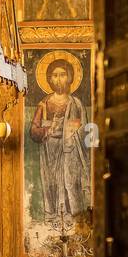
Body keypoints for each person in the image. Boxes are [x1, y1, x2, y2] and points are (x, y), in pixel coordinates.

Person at [29, 59, 91, 222]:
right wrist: (47, 130)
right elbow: (33, 131)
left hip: (71, 151)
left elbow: (88, 132)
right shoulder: (44, 104)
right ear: (49, 79)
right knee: (52, 184)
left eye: (62, 75)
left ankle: (74, 217)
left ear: (70, 77)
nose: (59, 79)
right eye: (54, 75)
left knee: (69, 182)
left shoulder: (76, 104)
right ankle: (52, 216)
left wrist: (74, 130)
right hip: (50, 150)